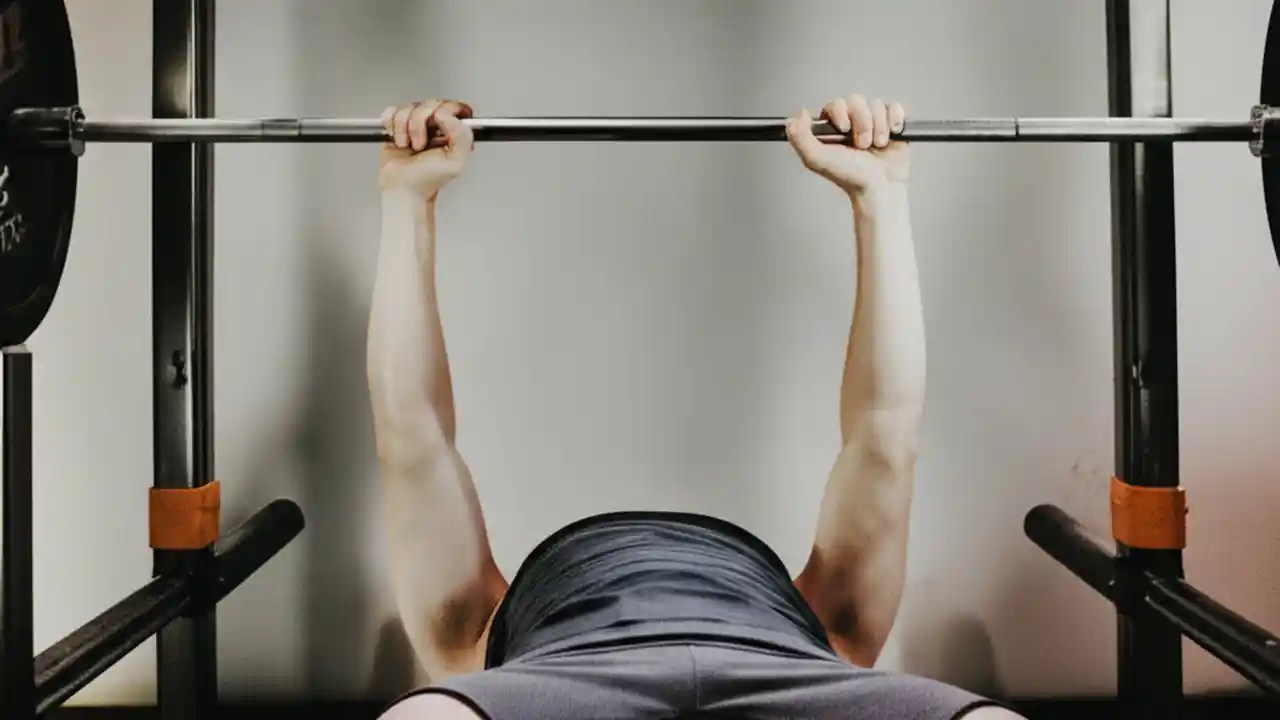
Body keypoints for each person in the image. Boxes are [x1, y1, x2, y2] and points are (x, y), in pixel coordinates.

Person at [367, 94, 1024, 720]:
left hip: (641, 674)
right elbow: (885, 437)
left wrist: (407, 201)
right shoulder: (834, 632)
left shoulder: (469, 637)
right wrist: (879, 202)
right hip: (771, 669)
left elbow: (411, 435)